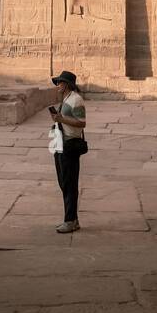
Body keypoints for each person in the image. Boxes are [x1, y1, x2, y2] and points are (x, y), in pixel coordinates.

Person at [50, 70, 88, 233]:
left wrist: (62, 119)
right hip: (61, 142)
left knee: (69, 183)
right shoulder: (66, 98)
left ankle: (70, 220)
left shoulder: (76, 100)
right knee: (63, 182)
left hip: (70, 144)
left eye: (60, 82)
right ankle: (73, 218)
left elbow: (82, 123)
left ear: (66, 84)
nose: (57, 85)